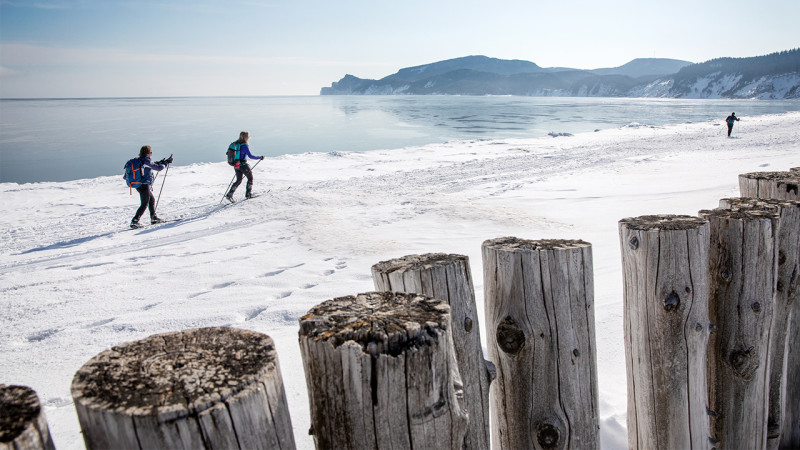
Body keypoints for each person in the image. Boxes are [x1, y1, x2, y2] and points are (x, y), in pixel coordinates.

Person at [130, 145, 173, 228]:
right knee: (144, 204)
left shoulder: (139, 160)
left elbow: (150, 165)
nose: (151, 153)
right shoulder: (146, 160)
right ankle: (134, 221)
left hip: (139, 185)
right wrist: (166, 163)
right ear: (148, 153)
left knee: (151, 200)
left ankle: (153, 218)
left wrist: (159, 162)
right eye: (151, 152)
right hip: (144, 185)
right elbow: (159, 168)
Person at [225, 131, 264, 202]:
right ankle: (248, 195)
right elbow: (250, 156)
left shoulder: (237, 144)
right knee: (250, 178)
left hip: (236, 164)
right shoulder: (244, 145)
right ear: (246, 137)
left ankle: (229, 195)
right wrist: (259, 157)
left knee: (238, 180)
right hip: (243, 165)